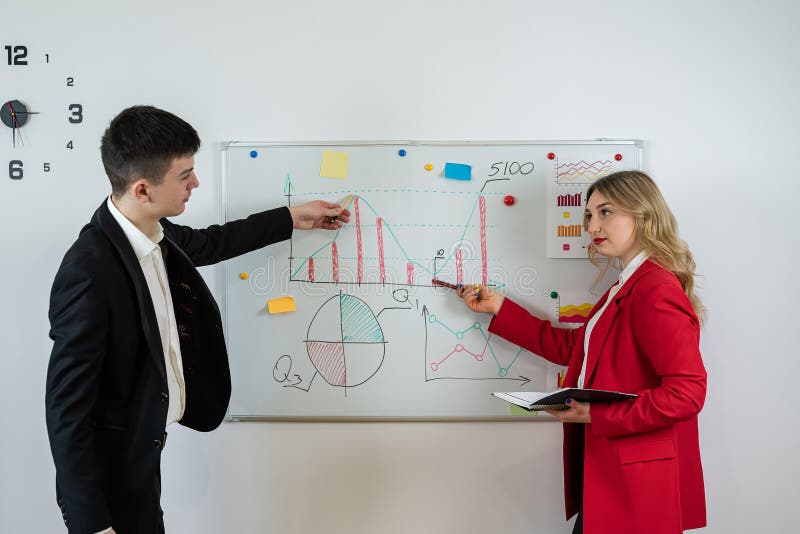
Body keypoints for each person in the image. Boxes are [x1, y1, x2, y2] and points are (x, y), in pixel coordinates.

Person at [45, 105, 350, 534]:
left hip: (143, 454)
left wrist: (293, 217)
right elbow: (66, 408)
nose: (196, 183)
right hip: (110, 478)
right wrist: (92, 524)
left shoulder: (154, 231)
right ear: (143, 189)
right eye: (184, 174)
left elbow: (209, 243)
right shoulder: (89, 270)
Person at [457, 171, 707, 533]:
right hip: (613, 473)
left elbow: (686, 394)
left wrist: (597, 416)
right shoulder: (628, 285)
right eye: (589, 215)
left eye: (605, 212)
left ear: (643, 214)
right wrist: (500, 308)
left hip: (636, 479)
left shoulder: (655, 289)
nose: (592, 226)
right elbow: (576, 349)